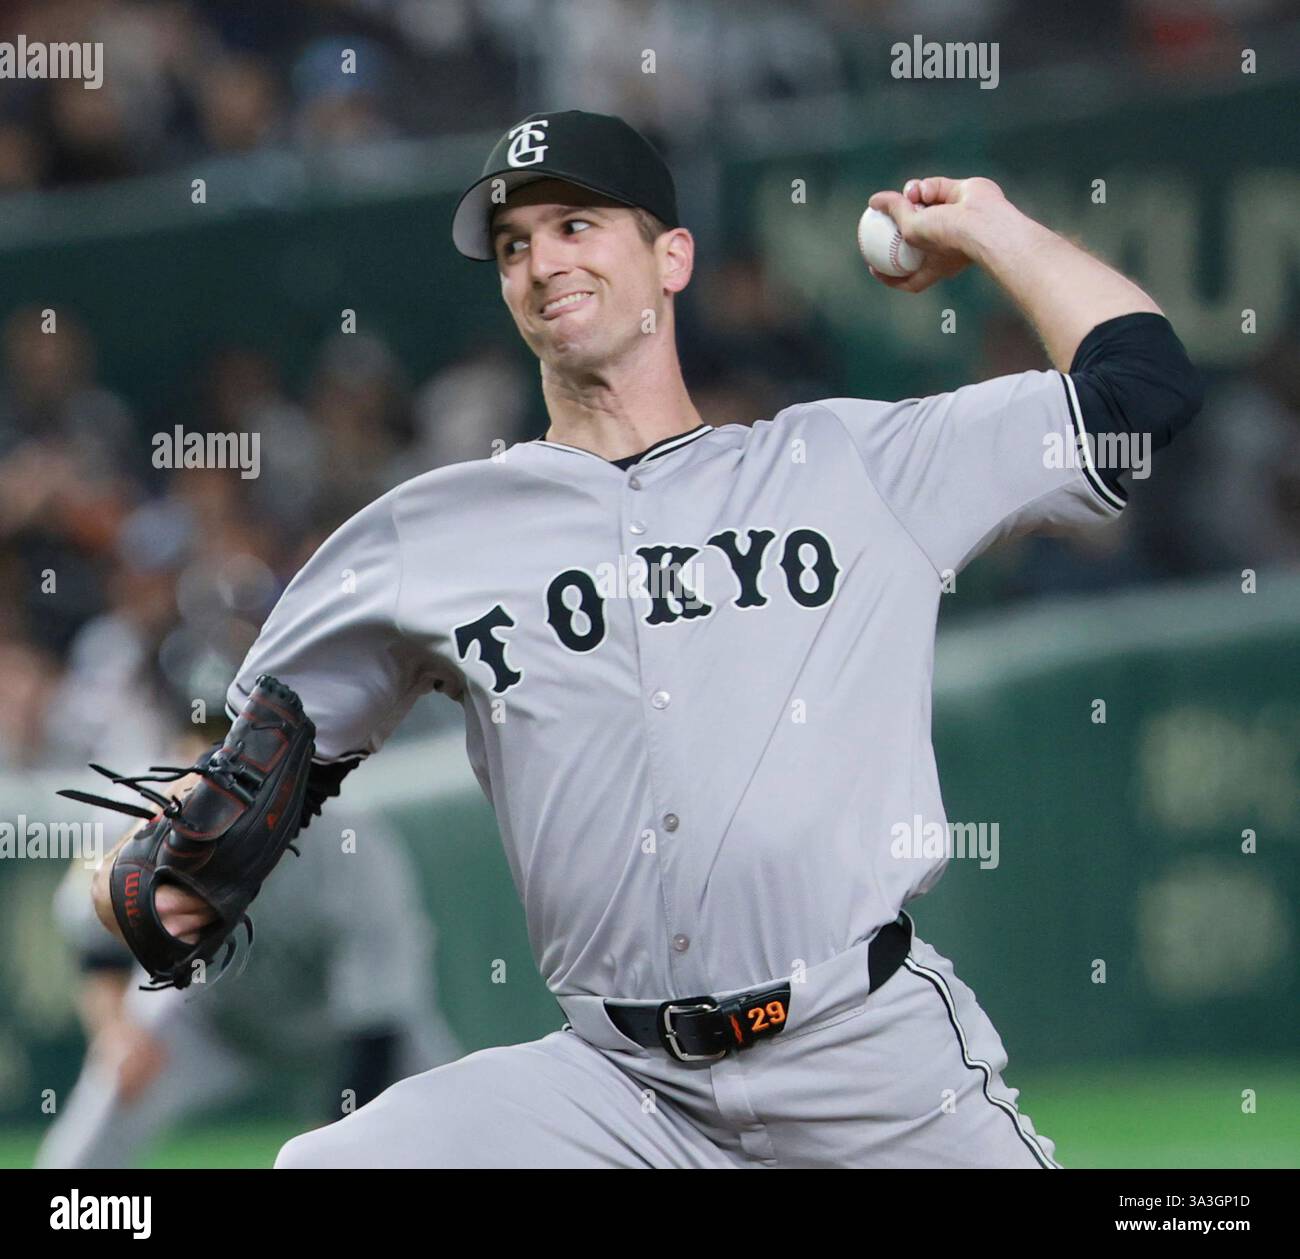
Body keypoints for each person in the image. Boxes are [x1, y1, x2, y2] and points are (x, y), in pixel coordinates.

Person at [90, 110, 1202, 1168]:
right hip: (617, 1092)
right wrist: (174, 867)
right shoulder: (425, 537)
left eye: (577, 225)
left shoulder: (855, 465)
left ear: (671, 258)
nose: (541, 261)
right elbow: (258, 770)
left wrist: (990, 225)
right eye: (515, 243)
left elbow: (1141, 389)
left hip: (868, 1065)